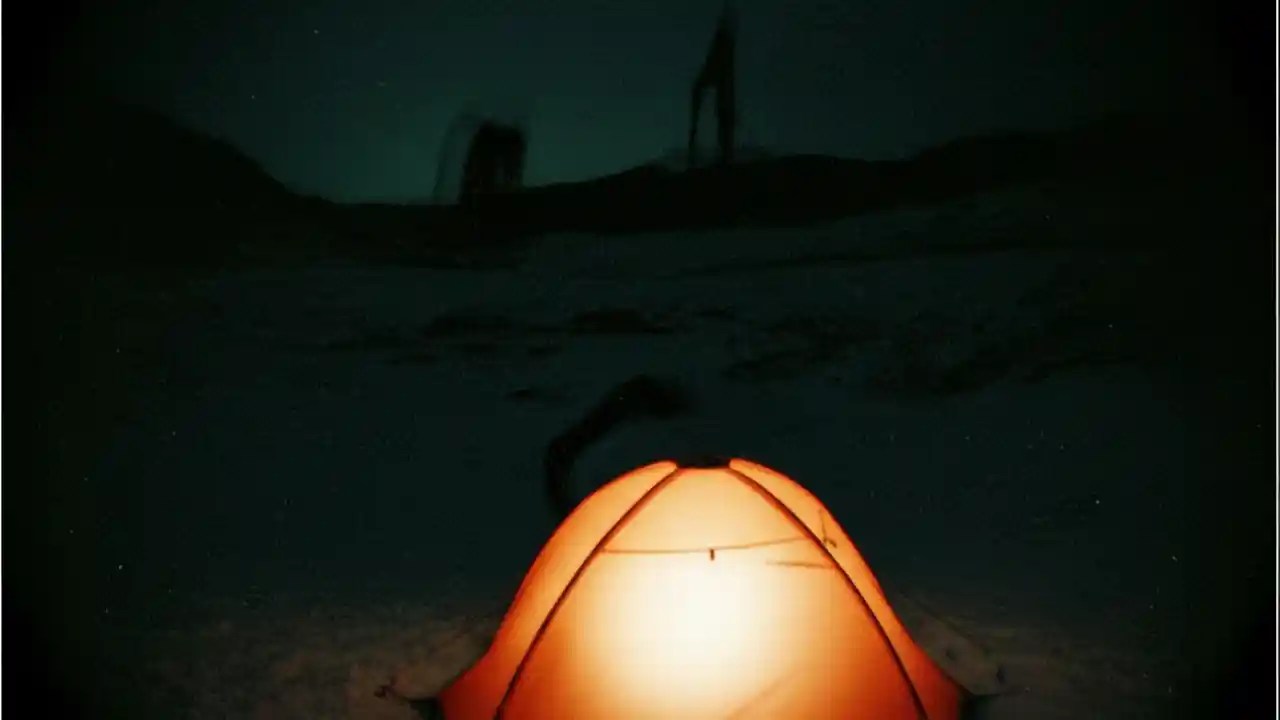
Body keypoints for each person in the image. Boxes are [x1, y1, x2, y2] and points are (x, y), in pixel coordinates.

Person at [688, 3, 738, 168]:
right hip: (724, 99)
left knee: (725, 120)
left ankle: (723, 157)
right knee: (725, 120)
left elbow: (712, 70)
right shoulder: (724, 45)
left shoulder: (723, 45)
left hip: (724, 100)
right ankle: (722, 156)